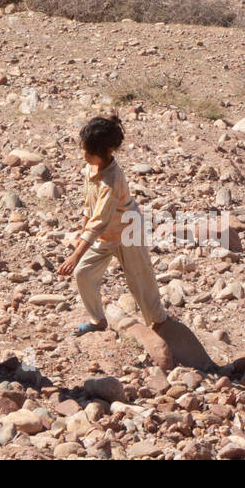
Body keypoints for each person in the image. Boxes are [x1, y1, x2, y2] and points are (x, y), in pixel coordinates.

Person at [58, 114, 167, 334]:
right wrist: (82, 232)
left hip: (128, 231)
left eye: (89, 152)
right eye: (84, 149)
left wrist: (76, 253)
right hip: (105, 235)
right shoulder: (91, 168)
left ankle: (159, 323)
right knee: (83, 274)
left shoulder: (112, 180)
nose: (84, 155)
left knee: (141, 280)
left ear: (107, 151)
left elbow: (100, 220)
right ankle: (98, 320)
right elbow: (90, 206)